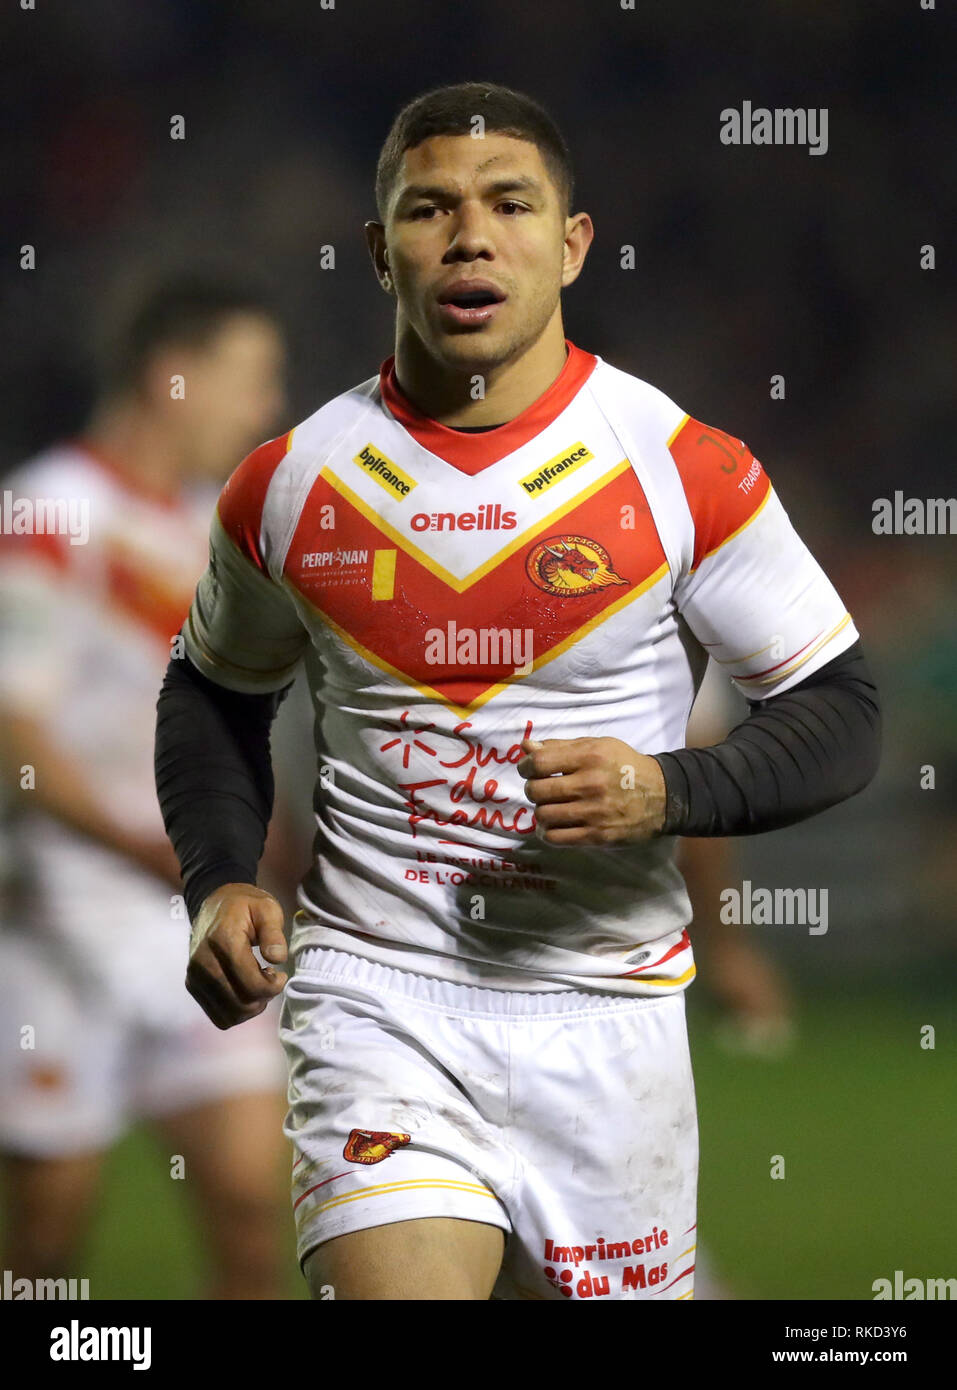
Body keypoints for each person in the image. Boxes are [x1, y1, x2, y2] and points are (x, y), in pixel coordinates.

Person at [155, 83, 881, 1301]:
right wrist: (219, 873)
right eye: (429, 209)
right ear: (383, 248)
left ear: (571, 244)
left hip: (608, 1014)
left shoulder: (682, 467)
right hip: (378, 998)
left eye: (509, 203)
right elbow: (211, 694)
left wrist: (668, 789)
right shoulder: (287, 487)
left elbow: (843, 712)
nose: (471, 236)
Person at [0, 275, 293, 1298]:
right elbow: (15, 731)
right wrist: (150, 848)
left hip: (190, 914)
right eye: (250, 380)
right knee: (43, 1247)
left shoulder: (209, 528)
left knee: (255, 1208)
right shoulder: (51, 510)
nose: (265, 408)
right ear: (176, 378)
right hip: (57, 925)